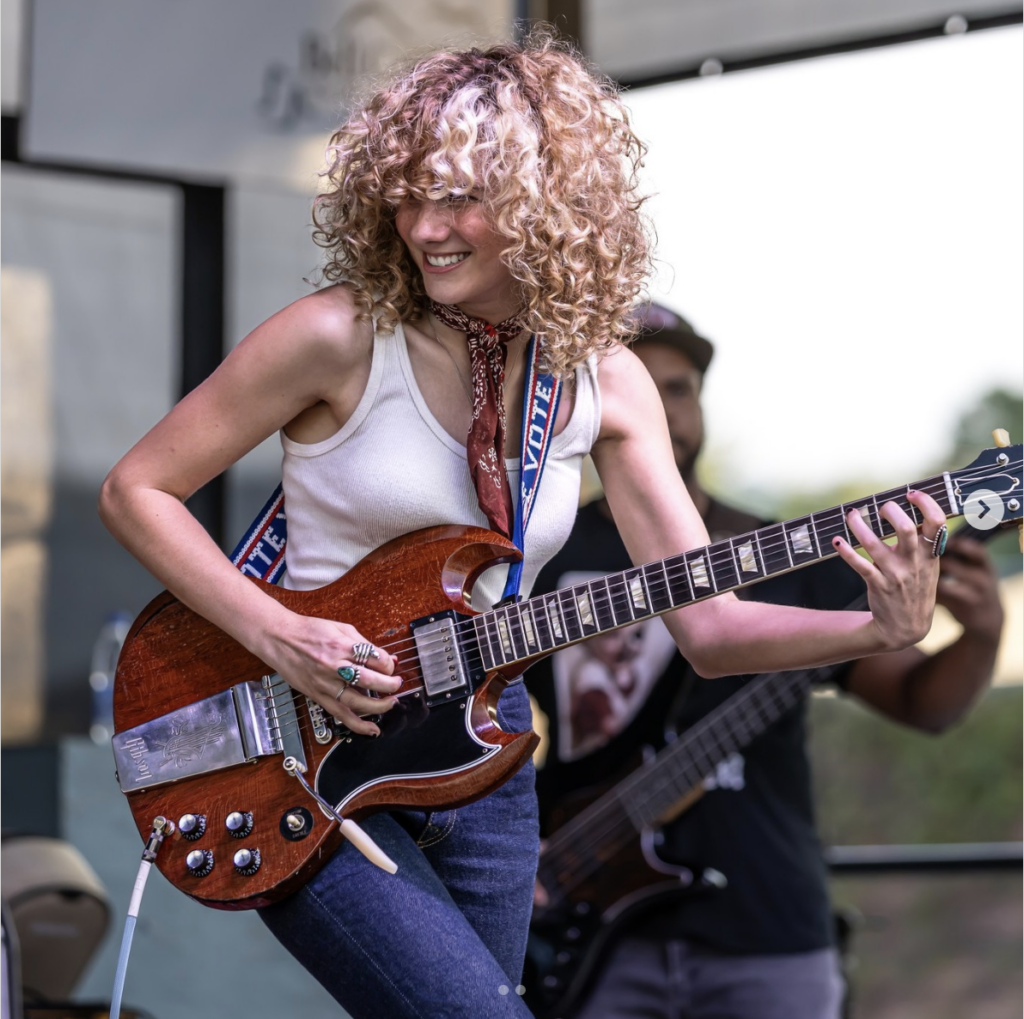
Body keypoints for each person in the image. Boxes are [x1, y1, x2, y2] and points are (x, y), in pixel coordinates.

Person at [98, 35, 948, 1019]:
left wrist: (876, 629)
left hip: (483, 759)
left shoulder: (608, 380)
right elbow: (137, 489)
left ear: (547, 203)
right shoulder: (335, 337)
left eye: (459, 197)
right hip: (303, 748)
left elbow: (709, 630)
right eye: (408, 195)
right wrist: (278, 631)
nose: (425, 226)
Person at [529, 303, 1005, 1019]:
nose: (664, 408)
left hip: (768, 925)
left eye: (681, 388)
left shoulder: (791, 555)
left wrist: (983, 635)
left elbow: (921, 703)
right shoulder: (544, 555)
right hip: (580, 921)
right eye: (640, 385)